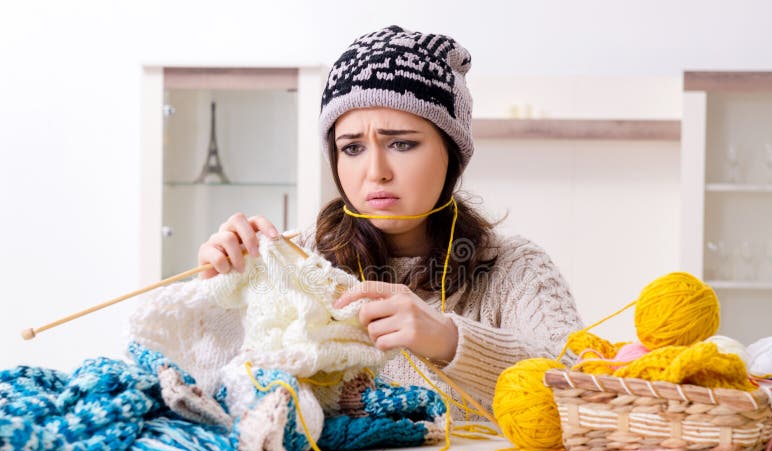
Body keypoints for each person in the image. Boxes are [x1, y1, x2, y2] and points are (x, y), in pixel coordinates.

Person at [197, 25, 583, 418]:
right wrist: (216, 302)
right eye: (352, 148)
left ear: (452, 152)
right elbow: (209, 395)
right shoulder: (295, 263)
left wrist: (452, 341)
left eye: (401, 143)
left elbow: (584, 384)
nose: (375, 172)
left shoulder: (514, 268)